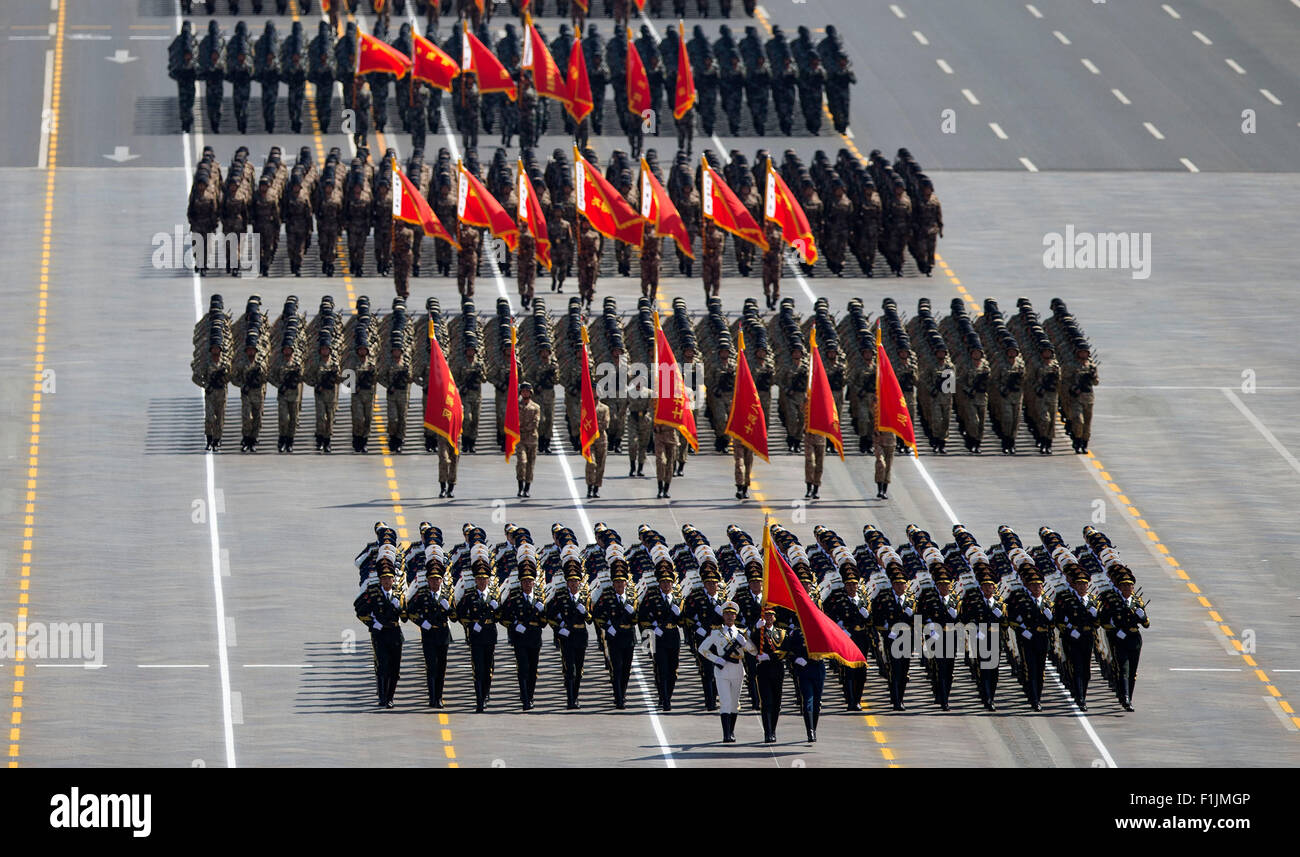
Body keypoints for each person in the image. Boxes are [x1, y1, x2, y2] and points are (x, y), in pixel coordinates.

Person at [404, 545, 456, 707]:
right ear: (428, 580)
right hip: (428, 634)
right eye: (432, 579)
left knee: (441, 668)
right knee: (431, 666)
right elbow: (410, 611)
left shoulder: (447, 594)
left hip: (443, 634)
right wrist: (421, 622)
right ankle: (432, 698)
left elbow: (455, 617)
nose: (435, 582)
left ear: (442, 580)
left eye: (437, 579)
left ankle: (439, 696)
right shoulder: (423, 594)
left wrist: (449, 609)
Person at [697, 601, 756, 743]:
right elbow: (702, 649)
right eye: (727, 614)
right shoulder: (717, 633)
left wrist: (745, 643)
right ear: (723, 615)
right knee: (725, 701)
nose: (729, 616)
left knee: (735, 702)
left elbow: (753, 651)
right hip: (722, 670)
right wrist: (716, 659)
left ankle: (732, 731)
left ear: (736, 616)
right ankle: (726, 734)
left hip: (737, 669)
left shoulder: (741, 632)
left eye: (732, 614)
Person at [353, 559, 404, 708]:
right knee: (383, 665)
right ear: (380, 579)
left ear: (393, 579)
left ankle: (390, 697)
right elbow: (360, 610)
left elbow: (406, 616)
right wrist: (372, 623)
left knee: (395, 668)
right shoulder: (373, 592)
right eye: (384, 578)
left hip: (395, 633)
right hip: (380, 634)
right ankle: (382, 697)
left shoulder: (398, 593)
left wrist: (400, 606)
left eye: (389, 578)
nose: (387, 581)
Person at [1101, 566, 1148, 711]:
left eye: (1130, 585)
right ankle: (1125, 698)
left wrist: (1143, 616)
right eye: (1124, 585)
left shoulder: (1137, 602)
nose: (1127, 588)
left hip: (1134, 640)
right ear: (1120, 587)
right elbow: (1104, 621)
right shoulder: (1113, 601)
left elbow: (1146, 624)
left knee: (1132, 672)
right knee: (1123, 669)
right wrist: (1116, 630)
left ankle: (1128, 697)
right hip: (1120, 639)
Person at [636, 561, 682, 710]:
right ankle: (664, 699)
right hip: (658, 638)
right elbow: (642, 617)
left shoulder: (677, 598)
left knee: (673, 670)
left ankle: (667, 695)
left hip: (673, 636)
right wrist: (653, 628)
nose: (666, 585)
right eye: (663, 582)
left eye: (669, 582)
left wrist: (679, 615)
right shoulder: (651, 596)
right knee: (661, 669)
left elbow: (684, 621)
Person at [500, 566, 546, 710]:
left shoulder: (539, 599)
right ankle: (525, 698)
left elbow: (544, 623)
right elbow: (504, 617)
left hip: (534, 639)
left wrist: (542, 611)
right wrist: (514, 626)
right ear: (520, 583)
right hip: (520, 639)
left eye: (529, 581)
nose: (527, 583)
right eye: (524, 581)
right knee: (523, 668)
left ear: (534, 583)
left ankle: (530, 695)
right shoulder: (514, 598)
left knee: (533, 670)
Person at [594, 563, 639, 709]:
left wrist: (632, 613)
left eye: (622, 581)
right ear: (613, 583)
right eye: (617, 582)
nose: (620, 584)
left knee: (626, 668)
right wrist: (608, 627)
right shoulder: (607, 596)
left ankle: (623, 692)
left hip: (628, 637)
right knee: (617, 667)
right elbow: (597, 615)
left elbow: (638, 617)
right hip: (614, 638)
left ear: (626, 582)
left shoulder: (631, 596)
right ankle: (618, 697)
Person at [547, 564, 590, 709]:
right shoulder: (560, 596)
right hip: (567, 638)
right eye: (571, 581)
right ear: (567, 583)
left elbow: (590, 619)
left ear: (580, 582)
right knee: (570, 669)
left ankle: (575, 695)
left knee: (579, 669)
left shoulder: (584, 597)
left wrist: (584, 611)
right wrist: (559, 628)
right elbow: (550, 616)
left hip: (581, 637)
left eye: (576, 581)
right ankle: (570, 700)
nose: (573, 584)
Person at [458, 564, 499, 712]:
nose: (482, 581)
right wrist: (470, 626)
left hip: (489, 636)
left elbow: (500, 616)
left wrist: (497, 608)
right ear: (475, 580)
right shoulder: (470, 596)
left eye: (484, 579)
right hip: (476, 637)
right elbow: (460, 614)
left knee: (488, 668)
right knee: (478, 669)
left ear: (488, 580)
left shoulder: (494, 596)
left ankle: (486, 693)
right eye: (479, 579)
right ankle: (479, 700)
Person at [784, 620, 824, 742]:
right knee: (808, 701)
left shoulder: (820, 630)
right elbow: (788, 650)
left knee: (817, 702)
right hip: (805, 669)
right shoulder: (796, 633)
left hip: (818, 668)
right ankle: (810, 731)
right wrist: (796, 659)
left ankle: (814, 728)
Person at [753, 605, 786, 742]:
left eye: (770, 615)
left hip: (777, 669)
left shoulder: (781, 633)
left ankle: (773, 729)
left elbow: (784, 650)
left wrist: (770, 656)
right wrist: (756, 628)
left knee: (777, 703)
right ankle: (768, 732)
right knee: (766, 702)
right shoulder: (759, 632)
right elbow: (751, 643)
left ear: (774, 617)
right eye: (766, 615)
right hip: (764, 670)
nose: (768, 618)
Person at [516, 381, 540, 497]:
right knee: (522, 462)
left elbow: (535, 423)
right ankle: (520, 486)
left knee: (530, 465)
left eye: (527, 391)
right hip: (520, 439)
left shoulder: (535, 407)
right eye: (523, 391)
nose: (525, 393)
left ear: (530, 393)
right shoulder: (515, 406)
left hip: (532, 439)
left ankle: (527, 488)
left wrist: (522, 427)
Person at [585, 396, 611, 498]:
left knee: (600, 466)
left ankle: (596, 488)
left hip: (601, 439)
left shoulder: (604, 408)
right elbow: (582, 422)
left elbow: (606, 424)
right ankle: (589, 487)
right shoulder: (586, 408)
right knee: (591, 463)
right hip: (590, 440)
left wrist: (593, 425)